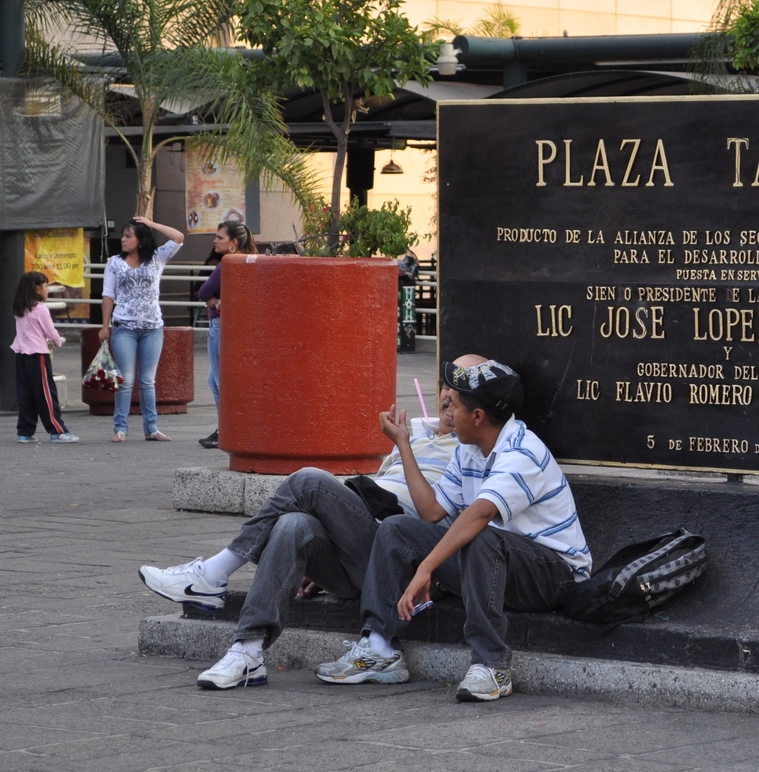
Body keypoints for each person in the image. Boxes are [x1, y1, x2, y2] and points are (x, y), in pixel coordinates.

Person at [138, 359, 484, 690]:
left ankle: (215, 572)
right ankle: (248, 651)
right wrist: (332, 541)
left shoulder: (473, 450)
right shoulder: (415, 432)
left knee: (309, 480)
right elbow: (377, 490)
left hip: (398, 561)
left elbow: (436, 516)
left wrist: (404, 445)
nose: (448, 396)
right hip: (359, 545)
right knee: (293, 525)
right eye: (446, 386)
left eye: (460, 390)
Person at [316, 357, 590, 703]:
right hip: (496, 566)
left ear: (478, 417)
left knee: (481, 536)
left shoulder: (523, 452)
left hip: (553, 575)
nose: (447, 408)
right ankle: (380, 647)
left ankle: (492, 665)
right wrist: (404, 444)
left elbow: (479, 515)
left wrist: (427, 568)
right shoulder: (469, 449)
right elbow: (431, 511)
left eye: (455, 404)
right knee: (397, 528)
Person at [100, 217, 184, 442]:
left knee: (148, 380)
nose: (124, 239)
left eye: (129, 236)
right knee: (126, 379)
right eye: (123, 235)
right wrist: (105, 326)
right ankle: (120, 428)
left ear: (141, 239)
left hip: (152, 327)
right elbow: (108, 294)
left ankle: (151, 428)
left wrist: (152, 224)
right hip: (124, 327)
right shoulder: (115, 262)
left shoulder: (157, 257)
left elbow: (178, 237)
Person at [196, 220, 257, 450]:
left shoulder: (227, 262)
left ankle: (228, 429)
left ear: (233, 243)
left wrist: (213, 302)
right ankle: (225, 428)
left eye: (219, 237)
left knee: (221, 381)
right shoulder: (249, 261)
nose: (215, 241)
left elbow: (203, 291)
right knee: (213, 380)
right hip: (236, 325)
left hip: (220, 325)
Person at [10, 270, 78, 444]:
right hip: (38, 354)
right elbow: (50, 332)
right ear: (37, 289)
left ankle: (25, 431)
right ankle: (57, 430)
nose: (48, 289)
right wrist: (58, 341)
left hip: (21, 354)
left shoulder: (20, 308)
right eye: (46, 286)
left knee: (26, 393)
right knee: (46, 393)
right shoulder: (40, 309)